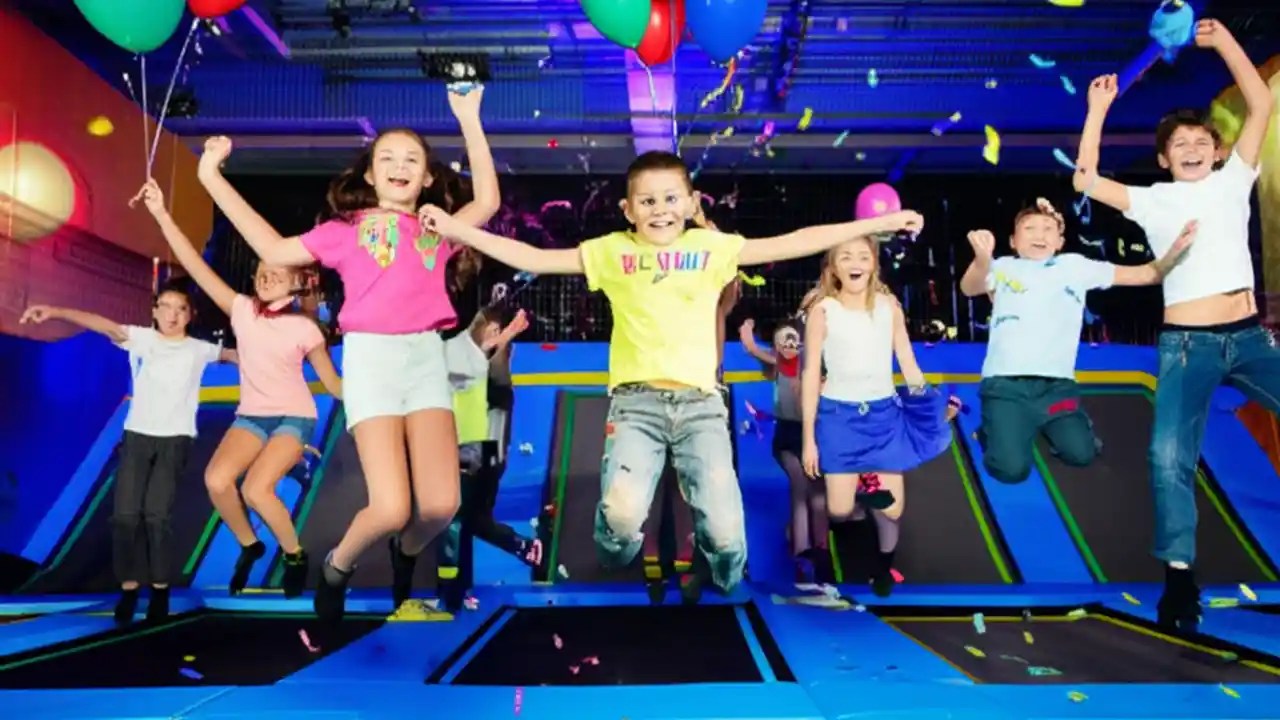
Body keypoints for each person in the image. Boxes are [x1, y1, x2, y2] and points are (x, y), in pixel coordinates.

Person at [417, 150, 923, 596]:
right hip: (637, 407)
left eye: (670, 199)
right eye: (648, 201)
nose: (660, 211)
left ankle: (725, 562)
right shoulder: (613, 251)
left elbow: (794, 241)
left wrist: (872, 226)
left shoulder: (712, 249)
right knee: (619, 518)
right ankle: (616, 545)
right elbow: (532, 257)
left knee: (725, 535)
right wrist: (455, 227)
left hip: (701, 408)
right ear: (629, 209)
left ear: (689, 202)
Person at [195, 88, 500, 622]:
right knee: (391, 506)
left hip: (425, 358)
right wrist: (211, 179)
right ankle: (337, 567)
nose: (399, 166)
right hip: (372, 361)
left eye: (412, 160)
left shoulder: (437, 227)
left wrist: (469, 119)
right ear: (369, 175)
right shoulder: (343, 232)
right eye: (387, 158)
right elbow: (272, 249)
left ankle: (404, 554)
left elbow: (489, 203)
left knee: (439, 505)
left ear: (427, 177)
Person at [1071, 18, 1275, 633]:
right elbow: (1084, 179)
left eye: (1199, 141)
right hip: (1187, 346)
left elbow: (1261, 100)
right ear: (1163, 159)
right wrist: (1098, 109)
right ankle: (1181, 578)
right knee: (1169, 457)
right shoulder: (1155, 200)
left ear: (1216, 149)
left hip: (1249, 337)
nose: (1190, 148)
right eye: (1177, 144)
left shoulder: (1235, 180)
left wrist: (1227, 45)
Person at [134, 179, 343, 598]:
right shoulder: (242, 311)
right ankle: (251, 544)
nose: (266, 278)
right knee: (217, 481)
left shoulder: (305, 328)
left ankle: (294, 555)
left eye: (276, 274)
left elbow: (334, 385)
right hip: (251, 415)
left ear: (295, 283)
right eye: (262, 273)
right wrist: (160, 213)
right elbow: (195, 266)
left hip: (293, 416)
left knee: (257, 489)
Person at [20, 288, 234, 624]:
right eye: (165, 307)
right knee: (124, 517)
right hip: (137, 438)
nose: (172, 314)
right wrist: (56, 310)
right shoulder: (141, 339)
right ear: (155, 311)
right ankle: (130, 589)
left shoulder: (200, 350)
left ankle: (160, 591)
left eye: (180, 309)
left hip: (175, 440)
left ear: (190, 315)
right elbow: (101, 324)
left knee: (156, 517)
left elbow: (238, 356)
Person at [958, 198, 1194, 484]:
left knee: (1081, 454)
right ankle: (992, 431)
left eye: (1048, 229)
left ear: (1060, 240)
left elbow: (1148, 274)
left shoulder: (1075, 266)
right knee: (1010, 471)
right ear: (1013, 240)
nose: (1039, 235)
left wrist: (1176, 252)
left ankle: (1041, 428)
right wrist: (983, 259)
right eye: (1029, 228)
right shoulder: (1004, 267)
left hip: (1057, 388)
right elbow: (969, 288)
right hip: (1005, 386)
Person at [799, 236, 950, 597]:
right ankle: (864, 493)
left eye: (863, 256)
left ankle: (882, 568)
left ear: (873, 265)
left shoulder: (888, 307)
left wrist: (926, 402)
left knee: (893, 510)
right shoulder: (823, 310)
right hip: (838, 417)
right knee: (837, 508)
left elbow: (907, 360)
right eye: (845, 256)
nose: (855, 263)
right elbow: (808, 374)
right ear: (833, 267)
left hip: (883, 416)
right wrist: (809, 438)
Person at [435, 305, 538, 611]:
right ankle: (522, 547)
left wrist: (503, 339)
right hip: (481, 452)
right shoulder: (476, 360)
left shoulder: (495, 366)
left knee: (459, 519)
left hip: (482, 452)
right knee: (472, 520)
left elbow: (487, 368)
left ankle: (453, 594)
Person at [739, 317, 831, 582]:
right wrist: (750, 342)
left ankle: (820, 551)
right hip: (788, 436)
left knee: (816, 494)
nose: (789, 345)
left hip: (811, 434)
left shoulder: (811, 365)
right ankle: (803, 552)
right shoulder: (779, 366)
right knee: (800, 486)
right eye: (783, 341)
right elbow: (767, 358)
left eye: (793, 340)